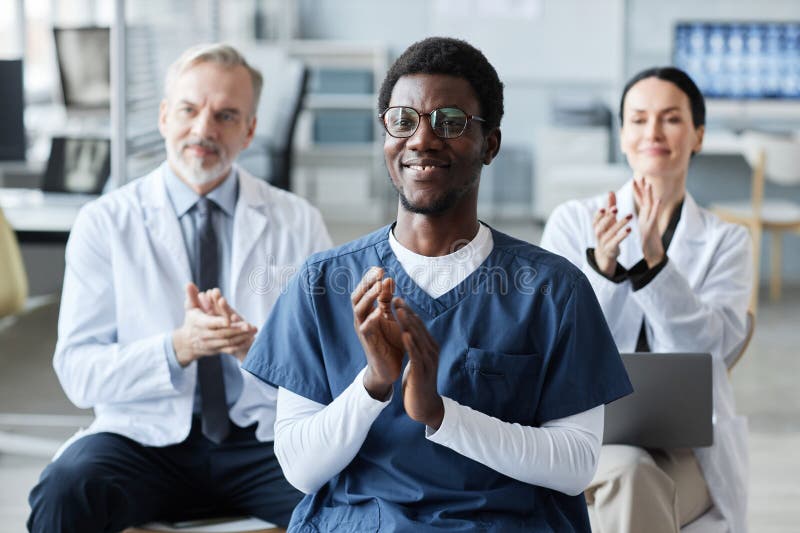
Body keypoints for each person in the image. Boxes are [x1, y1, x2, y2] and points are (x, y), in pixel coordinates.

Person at [241, 37, 632, 532]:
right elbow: (299, 469)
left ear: (490, 144)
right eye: (402, 120)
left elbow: (575, 465)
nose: (421, 139)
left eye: (450, 122)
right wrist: (373, 384)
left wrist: (440, 413)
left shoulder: (554, 290)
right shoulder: (322, 284)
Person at [27, 43, 332, 532]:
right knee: (67, 489)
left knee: (362, 494)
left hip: (263, 438)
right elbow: (78, 372)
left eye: (226, 115)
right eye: (189, 110)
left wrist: (259, 349)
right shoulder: (105, 222)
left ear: (250, 130)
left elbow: (327, 368)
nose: (204, 129)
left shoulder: (297, 222)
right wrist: (177, 347)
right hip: (141, 440)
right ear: (166, 116)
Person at [541, 66, 751, 533]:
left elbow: (709, 348)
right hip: (584, 435)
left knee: (637, 478)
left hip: (686, 450)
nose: (652, 132)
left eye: (670, 119)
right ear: (621, 135)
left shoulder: (727, 241)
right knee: (632, 475)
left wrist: (656, 266)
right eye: (638, 120)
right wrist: (605, 271)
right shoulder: (572, 223)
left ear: (697, 135)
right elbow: (551, 338)